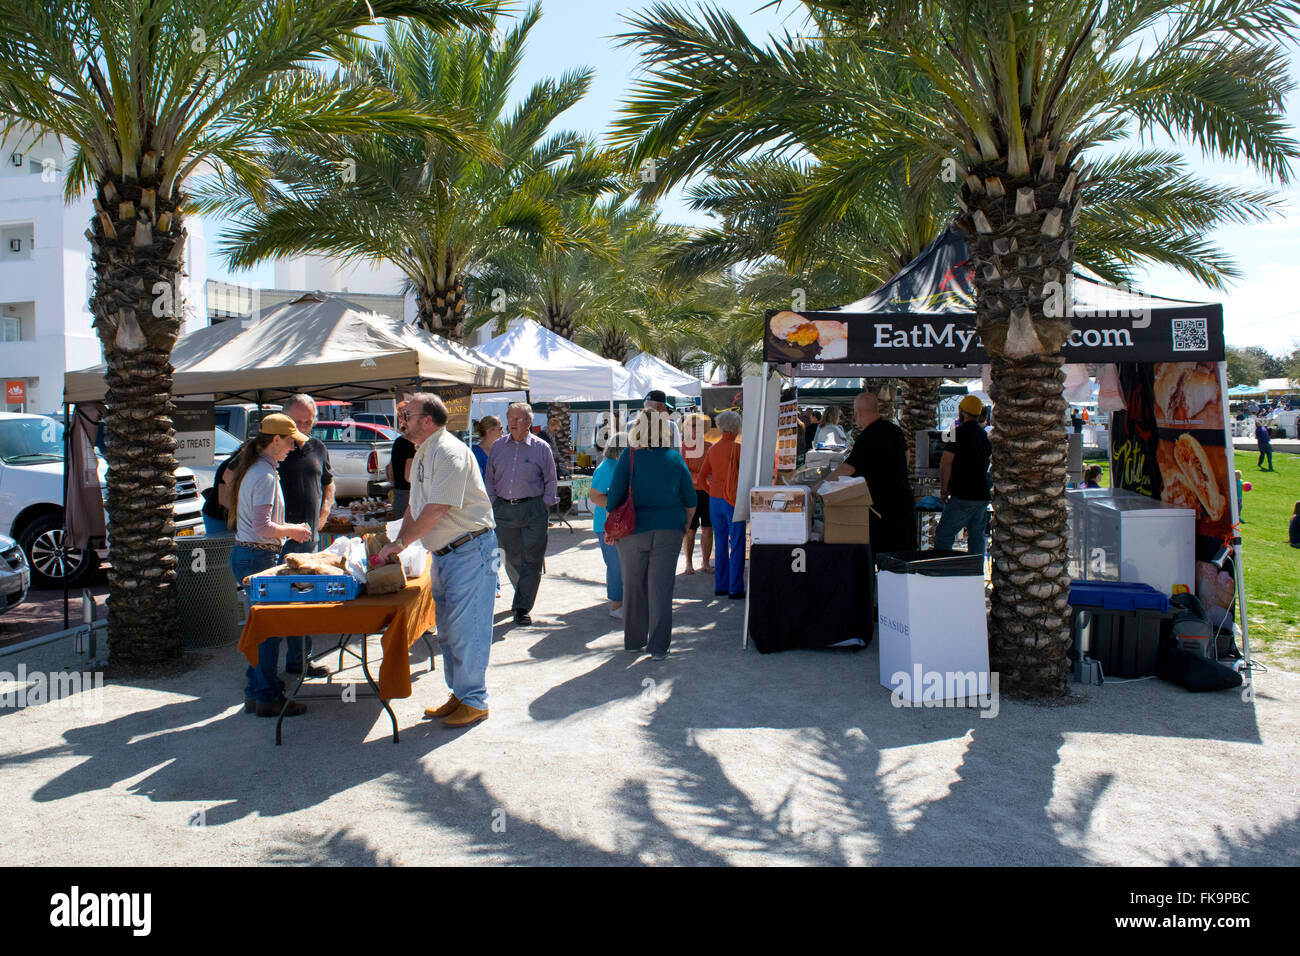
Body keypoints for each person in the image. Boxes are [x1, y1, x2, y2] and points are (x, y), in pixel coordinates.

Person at [377, 394, 498, 728]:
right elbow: (415, 507)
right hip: (448, 553)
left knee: (467, 630)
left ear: (427, 420)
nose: (402, 419)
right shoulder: (424, 453)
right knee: (449, 631)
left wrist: (401, 543)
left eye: (408, 414)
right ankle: (461, 695)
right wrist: (396, 542)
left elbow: (437, 509)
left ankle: (474, 700)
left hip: (469, 551)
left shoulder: (448, 451)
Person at [227, 414, 313, 717]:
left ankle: (256, 692)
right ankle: (266, 696)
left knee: (261, 630)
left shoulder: (257, 469)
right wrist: (294, 531)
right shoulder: (263, 475)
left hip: (250, 555)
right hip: (257, 557)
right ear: (275, 439)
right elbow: (264, 528)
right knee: (267, 633)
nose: (292, 447)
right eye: (290, 441)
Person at [605, 410, 696, 660]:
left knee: (633, 587)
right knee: (661, 589)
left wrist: (610, 527)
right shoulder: (675, 459)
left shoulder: (629, 456)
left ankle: (634, 641)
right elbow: (691, 499)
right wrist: (685, 526)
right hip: (669, 530)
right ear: (663, 431)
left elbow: (614, 497)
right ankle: (658, 647)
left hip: (632, 531)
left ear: (637, 430)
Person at [485, 402, 559, 625]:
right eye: (510, 418)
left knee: (532, 559)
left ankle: (522, 607)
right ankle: (523, 593)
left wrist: (544, 505)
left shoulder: (541, 447)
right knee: (511, 556)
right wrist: (493, 504)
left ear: (529, 422)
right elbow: (489, 478)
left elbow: (551, 479)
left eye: (518, 419)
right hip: (504, 509)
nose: (513, 423)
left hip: (533, 509)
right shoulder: (498, 447)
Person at [277, 394, 335, 679]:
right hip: (275, 539)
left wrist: (323, 515)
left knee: (303, 601)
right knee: (275, 604)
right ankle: (263, 675)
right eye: (296, 421)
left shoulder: (317, 446)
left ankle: (300, 661)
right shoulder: (272, 447)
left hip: (308, 541)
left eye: (308, 421)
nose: (302, 426)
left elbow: (328, 483)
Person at [831, 391, 918, 554]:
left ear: (858, 413)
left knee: (881, 559)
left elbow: (847, 469)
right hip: (903, 504)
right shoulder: (894, 430)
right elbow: (907, 455)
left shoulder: (868, 436)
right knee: (902, 561)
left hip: (883, 511)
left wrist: (819, 487)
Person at [935, 394, 993, 554]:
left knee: (943, 535)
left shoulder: (957, 433)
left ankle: (942, 571)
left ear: (962, 411)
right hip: (981, 495)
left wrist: (944, 489)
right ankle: (975, 573)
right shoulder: (984, 435)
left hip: (963, 494)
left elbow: (945, 463)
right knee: (977, 536)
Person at [698, 410, 746, 598]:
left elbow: (701, 479)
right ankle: (735, 588)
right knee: (737, 543)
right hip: (732, 500)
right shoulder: (738, 449)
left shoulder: (713, 449)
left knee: (720, 544)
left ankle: (721, 585)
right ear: (736, 427)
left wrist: (713, 493)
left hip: (715, 501)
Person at [588, 432, 626, 618]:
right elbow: (595, 496)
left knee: (621, 564)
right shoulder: (606, 468)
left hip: (619, 524)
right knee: (616, 565)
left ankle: (621, 602)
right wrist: (617, 507)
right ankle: (616, 605)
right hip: (608, 525)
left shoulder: (618, 465)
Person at [681, 412, 714, 575]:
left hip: (707, 493)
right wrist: (703, 476)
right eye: (692, 426)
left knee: (708, 528)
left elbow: (714, 472)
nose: (695, 430)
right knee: (690, 530)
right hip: (690, 494)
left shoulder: (709, 447)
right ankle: (688, 563)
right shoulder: (683, 447)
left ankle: (706, 562)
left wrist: (700, 476)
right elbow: (684, 474)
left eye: (698, 426)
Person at [201, 442, 245, 534]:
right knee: (219, 546)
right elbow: (224, 501)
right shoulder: (233, 465)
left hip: (229, 515)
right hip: (218, 516)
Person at [388, 401, 416, 519]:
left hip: (399, 493)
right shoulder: (411, 444)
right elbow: (409, 477)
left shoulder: (399, 442)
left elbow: (390, 473)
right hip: (409, 496)